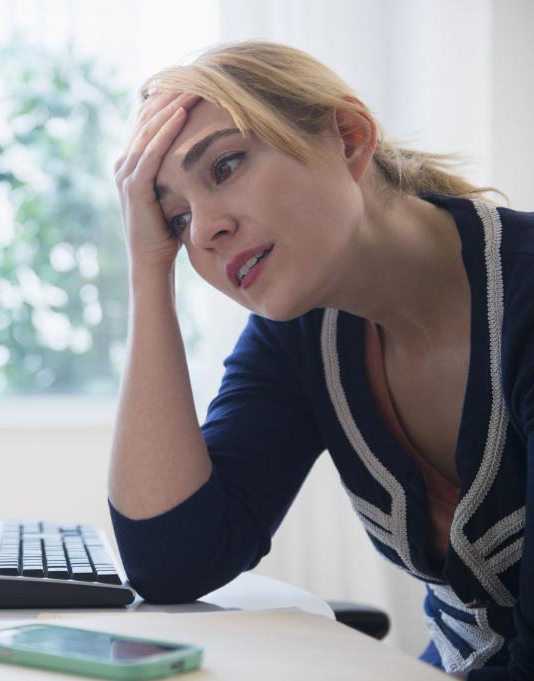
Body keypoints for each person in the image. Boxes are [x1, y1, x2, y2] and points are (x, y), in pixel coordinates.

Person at [108, 40, 533, 680]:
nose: (203, 232)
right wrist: (148, 269)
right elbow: (176, 559)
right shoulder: (303, 337)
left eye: (224, 167)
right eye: (176, 220)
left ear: (350, 137)